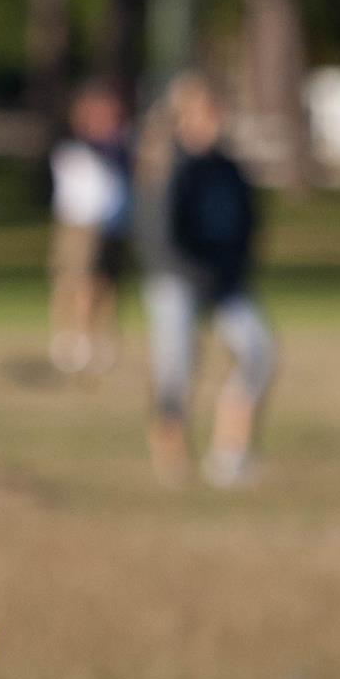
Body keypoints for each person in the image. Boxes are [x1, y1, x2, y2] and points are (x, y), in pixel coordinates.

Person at [134, 73, 274, 487]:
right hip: (177, 280)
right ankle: (171, 451)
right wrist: (199, 277)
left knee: (258, 351)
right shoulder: (166, 166)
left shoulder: (229, 168)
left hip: (225, 281)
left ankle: (231, 451)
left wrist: (234, 270)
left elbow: (249, 224)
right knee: (177, 368)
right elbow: (160, 238)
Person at [47, 81, 131, 376]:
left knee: (106, 283)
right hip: (81, 225)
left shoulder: (121, 148)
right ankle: (72, 340)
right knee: (76, 282)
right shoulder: (76, 146)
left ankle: (102, 338)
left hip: (112, 226)